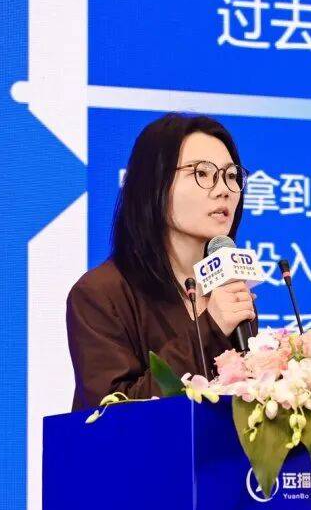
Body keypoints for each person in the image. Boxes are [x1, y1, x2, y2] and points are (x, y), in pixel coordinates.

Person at [66, 113, 258, 410]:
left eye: (231, 176)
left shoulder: (228, 289)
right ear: (155, 184)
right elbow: (112, 414)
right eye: (202, 173)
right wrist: (211, 327)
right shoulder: (100, 294)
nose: (223, 190)